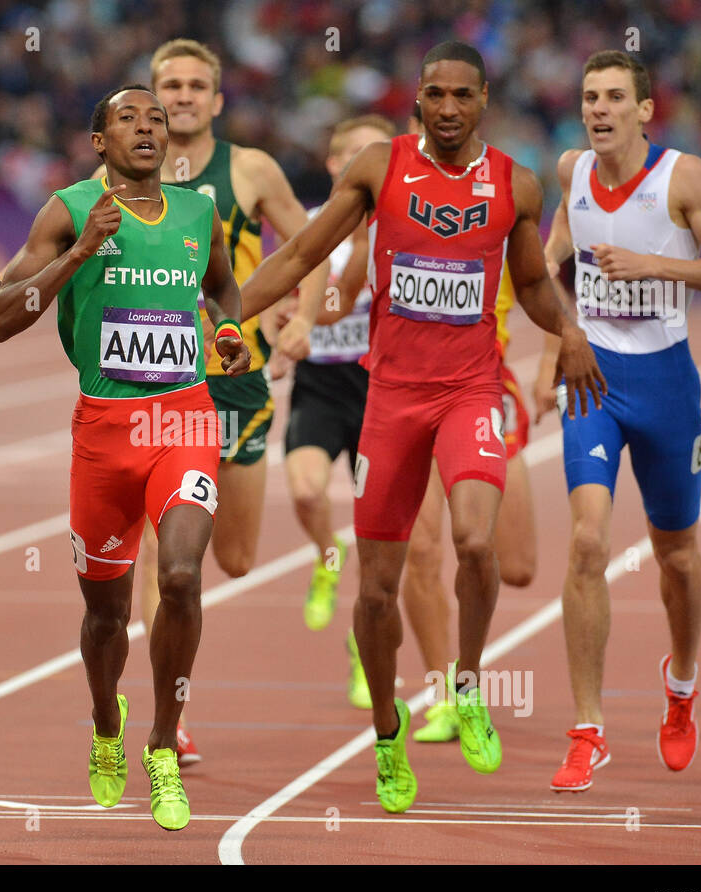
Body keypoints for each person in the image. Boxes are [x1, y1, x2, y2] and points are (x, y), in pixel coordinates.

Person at [240, 41, 605, 813]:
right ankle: (385, 732)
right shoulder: (379, 167)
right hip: (391, 398)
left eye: (461, 96)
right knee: (376, 592)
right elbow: (307, 248)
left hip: (470, 390)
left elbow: (535, 283)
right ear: (418, 100)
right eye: (434, 95)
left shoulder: (516, 184)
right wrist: (227, 311)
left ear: (482, 100)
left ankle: (466, 682)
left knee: (475, 542)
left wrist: (568, 332)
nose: (447, 109)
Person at [0, 85, 249, 830]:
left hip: (184, 420)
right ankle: (107, 724)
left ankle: (163, 746)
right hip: (105, 433)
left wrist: (230, 332)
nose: (146, 126)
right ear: (99, 142)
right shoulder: (69, 210)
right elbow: (7, 307)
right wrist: (69, 256)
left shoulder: (200, 214)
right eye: (127, 119)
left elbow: (225, 289)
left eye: (155, 117)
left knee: (179, 575)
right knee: (105, 616)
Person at [95, 38, 329, 765]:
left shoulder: (250, 169)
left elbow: (313, 243)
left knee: (233, 560)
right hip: (154, 389)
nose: (185, 95)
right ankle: (173, 710)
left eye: (199, 85)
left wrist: (304, 318)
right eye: (172, 84)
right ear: (152, 96)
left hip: (236, 382)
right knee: (165, 559)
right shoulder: (117, 170)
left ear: (218, 100)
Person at [539, 51, 701, 792]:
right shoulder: (571, 169)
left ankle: (682, 682)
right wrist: (557, 337)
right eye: (589, 96)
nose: (597, 109)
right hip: (595, 380)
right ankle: (588, 728)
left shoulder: (682, 177)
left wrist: (656, 266)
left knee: (678, 557)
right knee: (587, 542)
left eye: (612, 98)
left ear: (643, 110)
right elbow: (554, 250)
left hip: (666, 385)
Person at [389, 104, 545, 742]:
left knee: (513, 563)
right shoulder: (389, 203)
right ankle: (444, 692)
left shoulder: (501, 200)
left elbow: (546, 283)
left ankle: (468, 674)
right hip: (405, 392)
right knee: (421, 550)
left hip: (483, 388)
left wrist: (556, 362)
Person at [272, 115, 387, 708]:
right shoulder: (313, 226)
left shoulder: (405, 225)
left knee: (380, 533)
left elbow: (339, 306)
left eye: (376, 153)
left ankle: (365, 649)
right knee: (307, 492)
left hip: (380, 387)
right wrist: (273, 329)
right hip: (320, 383)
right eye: (351, 154)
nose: (362, 164)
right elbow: (293, 298)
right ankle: (325, 555)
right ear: (334, 164)